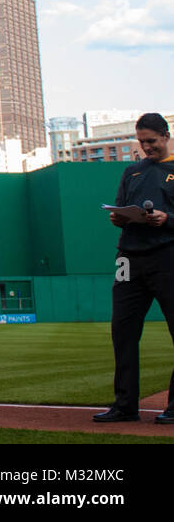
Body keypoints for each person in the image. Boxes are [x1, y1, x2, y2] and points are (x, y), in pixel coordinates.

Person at [94, 112, 174, 425]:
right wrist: (118, 217)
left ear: (166, 136)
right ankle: (125, 406)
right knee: (122, 333)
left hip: (167, 256)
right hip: (128, 259)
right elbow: (119, 207)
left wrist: (167, 219)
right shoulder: (132, 171)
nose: (146, 147)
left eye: (151, 141)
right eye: (141, 142)